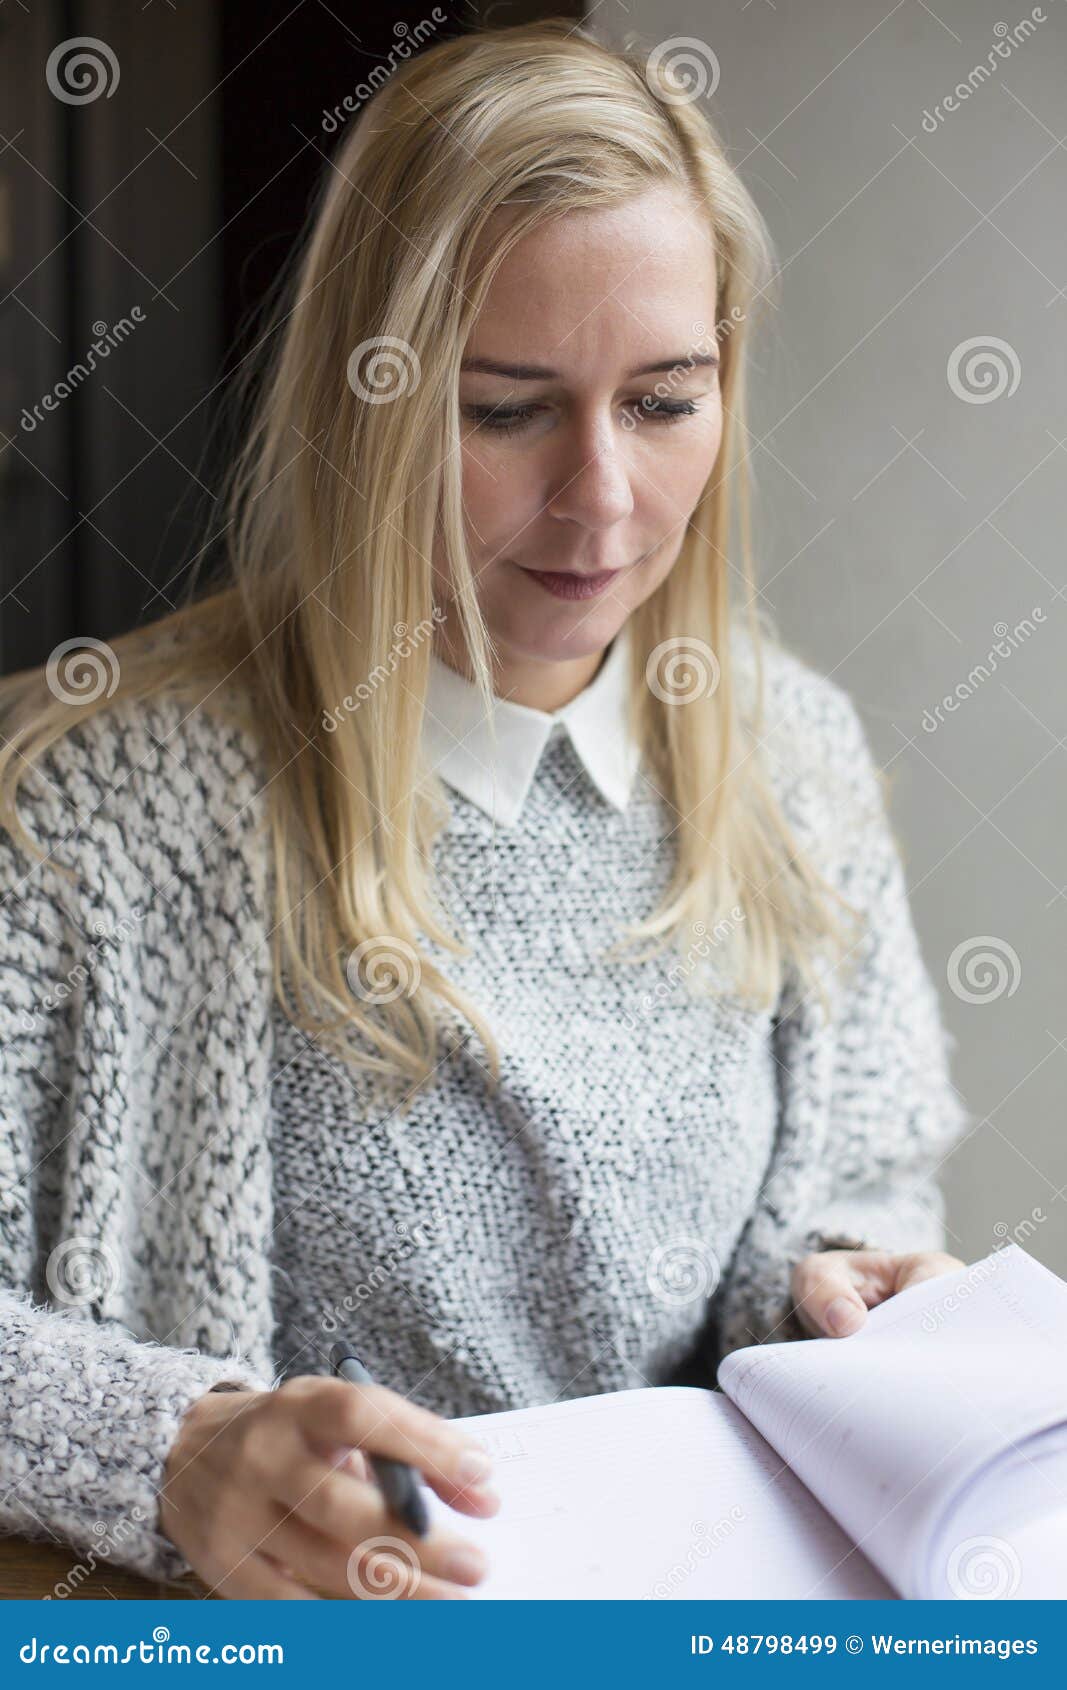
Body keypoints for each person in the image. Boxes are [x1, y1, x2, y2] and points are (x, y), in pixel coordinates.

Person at [0, 21, 967, 1600]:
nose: (601, 503)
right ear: (367, 396)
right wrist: (173, 1447)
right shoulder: (91, 807)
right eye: (506, 410)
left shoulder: (795, 755)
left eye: (663, 403)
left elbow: (870, 1188)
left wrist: (845, 1303)